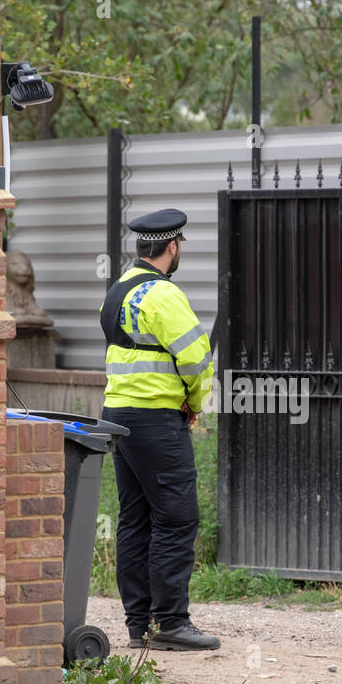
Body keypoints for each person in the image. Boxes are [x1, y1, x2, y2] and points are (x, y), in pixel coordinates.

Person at [99, 208, 220, 651]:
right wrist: (195, 402)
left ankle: (140, 625)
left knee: (135, 520)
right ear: (172, 247)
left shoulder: (116, 292)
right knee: (175, 517)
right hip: (155, 419)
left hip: (118, 415)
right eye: (180, 245)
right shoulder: (164, 295)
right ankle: (170, 621)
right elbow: (195, 359)